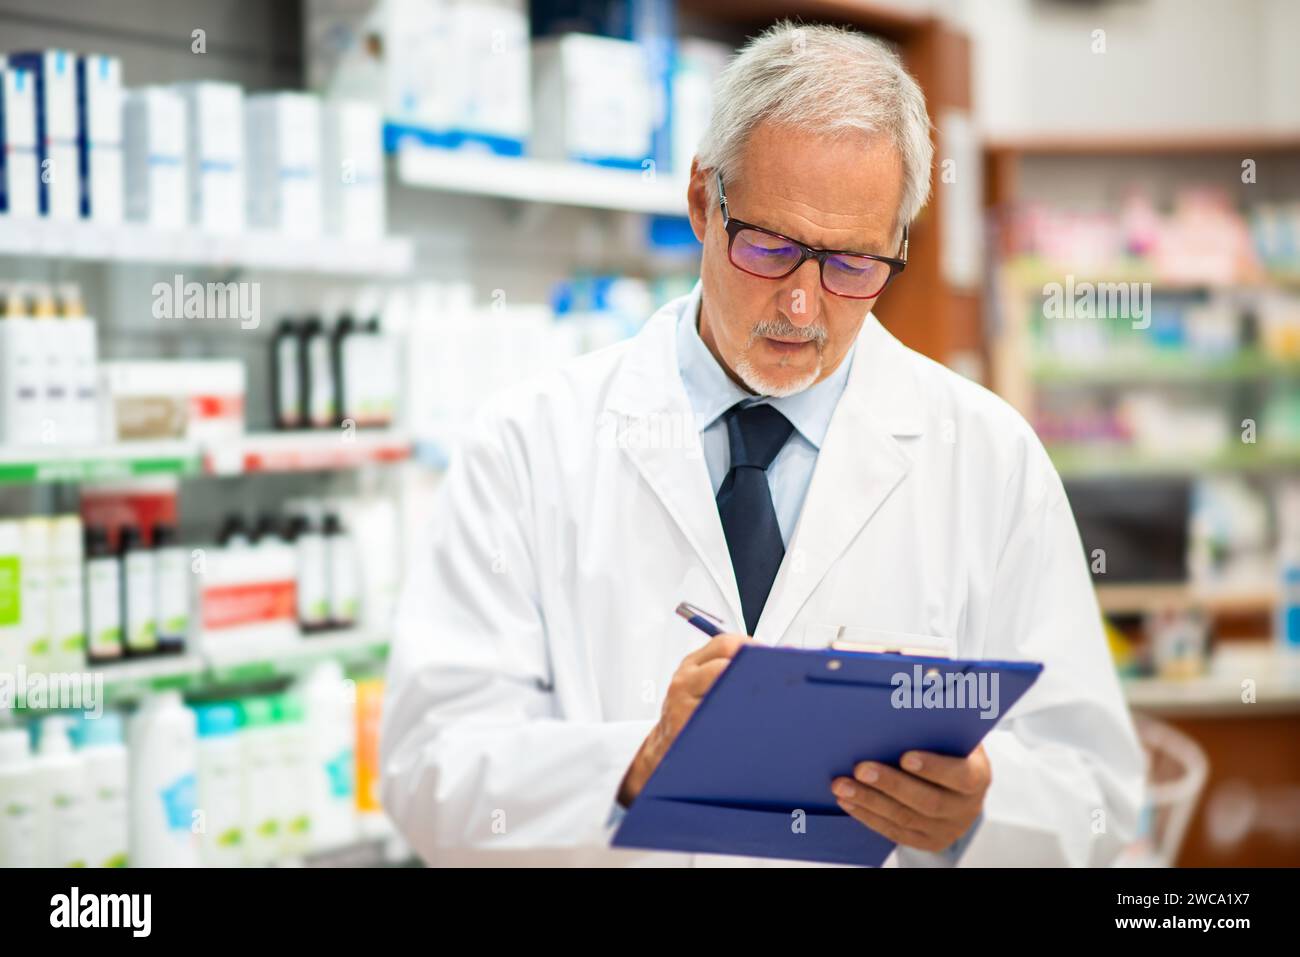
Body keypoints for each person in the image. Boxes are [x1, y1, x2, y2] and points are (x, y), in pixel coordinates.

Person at [381, 21, 1145, 867]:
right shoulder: (526, 445)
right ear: (704, 202)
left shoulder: (989, 459)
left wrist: (976, 812)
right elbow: (428, 774)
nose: (802, 307)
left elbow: (1097, 793)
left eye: (853, 264)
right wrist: (632, 765)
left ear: (898, 246)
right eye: (772, 249)